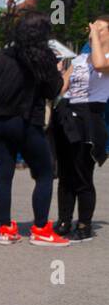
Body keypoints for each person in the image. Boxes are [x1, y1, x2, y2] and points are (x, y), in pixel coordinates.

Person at [0, 10, 67, 245]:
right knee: (45, 173)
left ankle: (6, 229)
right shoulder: (44, 58)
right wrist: (60, 74)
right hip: (27, 122)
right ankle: (40, 229)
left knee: (4, 175)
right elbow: (53, 91)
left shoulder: (2, 56)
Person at [53, 16, 109, 241]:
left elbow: (98, 65)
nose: (94, 30)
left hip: (90, 115)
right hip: (68, 113)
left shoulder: (103, 57)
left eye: (101, 28)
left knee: (83, 173)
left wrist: (95, 36)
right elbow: (62, 87)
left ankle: (84, 224)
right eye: (93, 27)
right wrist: (55, 73)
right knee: (66, 173)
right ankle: (64, 219)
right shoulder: (79, 59)